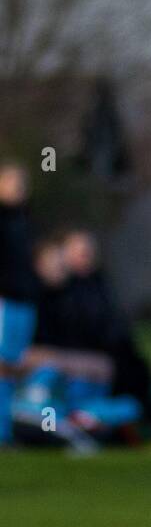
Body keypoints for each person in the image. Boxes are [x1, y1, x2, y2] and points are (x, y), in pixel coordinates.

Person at [0, 162, 40, 447]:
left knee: (15, 367)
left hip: (24, 302)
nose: (19, 188)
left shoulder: (26, 220)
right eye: (13, 182)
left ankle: (10, 429)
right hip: (6, 301)